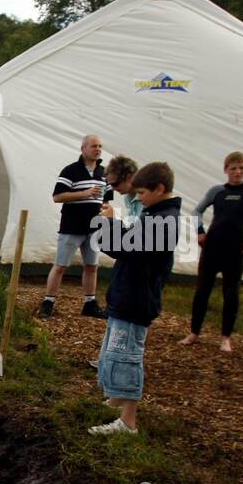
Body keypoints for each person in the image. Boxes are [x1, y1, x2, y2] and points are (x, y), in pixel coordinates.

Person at [89, 161, 181, 436]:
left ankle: (128, 422)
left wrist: (110, 223)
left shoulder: (163, 221)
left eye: (142, 192)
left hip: (136, 300)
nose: (137, 197)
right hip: (128, 295)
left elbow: (122, 248)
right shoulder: (155, 215)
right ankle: (117, 398)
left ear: (160, 189)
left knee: (126, 357)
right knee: (114, 351)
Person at [180, 152, 243, 353]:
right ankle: (194, 333)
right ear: (226, 170)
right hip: (212, 248)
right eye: (233, 168)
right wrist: (200, 231)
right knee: (202, 291)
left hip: (236, 250)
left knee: (231, 294)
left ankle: (225, 338)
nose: (237, 172)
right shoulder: (217, 191)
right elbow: (197, 211)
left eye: (241, 168)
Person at [40, 134, 114, 319]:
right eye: (94, 146)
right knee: (60, 266)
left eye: (100, 146)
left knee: (92, 266)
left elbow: (106, 201)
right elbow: (57, 197)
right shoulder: (71, 171)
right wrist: (85, 193)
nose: (97, 149)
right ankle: (48, 302)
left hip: (94, 228)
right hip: (72, 226)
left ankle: (90, 303)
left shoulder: (104, 173)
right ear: (83, 149)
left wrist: (104, 210)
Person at [102, 155, 143, 222]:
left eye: (115, 184)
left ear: (129, 177)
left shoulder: (148, 197)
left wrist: (114, 218)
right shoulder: (128, 197)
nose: (112, 189)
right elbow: (131, 225)